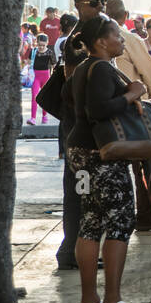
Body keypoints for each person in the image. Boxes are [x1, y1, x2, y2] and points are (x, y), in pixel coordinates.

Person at [66, 15, 146, 303]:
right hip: (102, 154)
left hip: (80, 151)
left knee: (91, 219)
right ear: (101, 41)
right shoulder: (100, 68)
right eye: (117, 35)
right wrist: (131, 95)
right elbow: (98, 109)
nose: (122, 39)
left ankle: (89, 300)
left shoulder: (83, 68)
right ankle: (113, 299)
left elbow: (72, 104)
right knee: (120, 222)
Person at [106, 0, 151, 231]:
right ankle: (147, 216)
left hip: (111, 109)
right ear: (125, 15)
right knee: (143, 167)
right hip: (132, 108)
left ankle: (134, 216)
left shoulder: (93, 37)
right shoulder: (128, 39)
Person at [55, 31, 89, 270]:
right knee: (79, 196)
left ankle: (73, 249)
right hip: (79, 145)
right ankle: (71, 250)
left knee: (80, 196)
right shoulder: (78, 77)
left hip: (77, 142)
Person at [27, 34, 53, 123]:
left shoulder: (49, 52)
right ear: (36, 43)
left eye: (43, 45)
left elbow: (53, 65)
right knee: (34, 97)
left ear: (47, 43)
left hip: (46, 76)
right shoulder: (33, 51)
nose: (41, 47)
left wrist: (52, 76)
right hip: (35, 77)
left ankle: (44, 116)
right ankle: (33, 118)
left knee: (44, 97)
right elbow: (29, 63)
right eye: (39, 45)